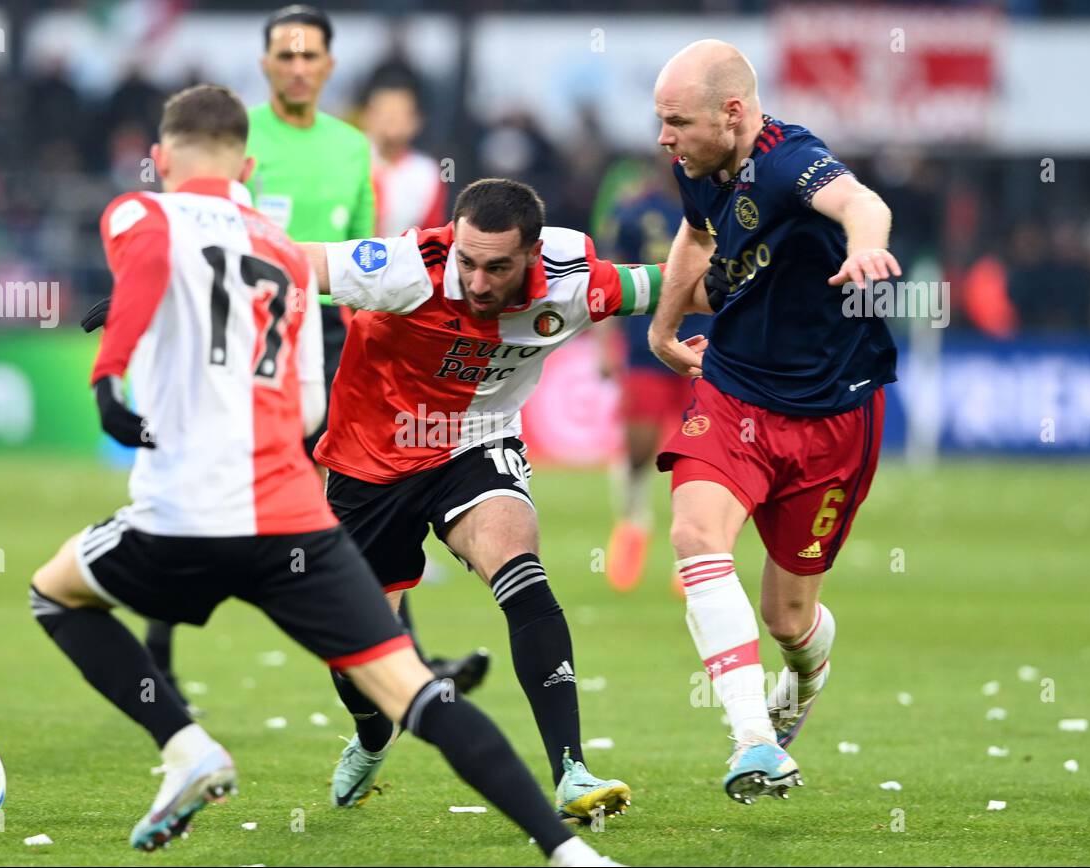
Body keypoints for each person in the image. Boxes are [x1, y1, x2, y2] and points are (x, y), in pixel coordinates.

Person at [31, 84, 616, 866]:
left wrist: (113, 384)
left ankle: (186, 745)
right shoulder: (284, 251)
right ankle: (569, 854)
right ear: (248, 164)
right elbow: (310, 398)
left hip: (210, 502)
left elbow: (142, 265)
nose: (479, 280)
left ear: (161, 161)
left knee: (54, 592)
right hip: (305, 504)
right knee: (410, 691)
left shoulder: (144, 213)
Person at [298, 177, 692, 818]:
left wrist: (790, 278)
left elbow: (677, 282)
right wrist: (156, 292)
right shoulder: (405, 267)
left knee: (521, 570)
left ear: (533, 256)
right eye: (468, 262)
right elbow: (289, 261)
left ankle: (572, 771)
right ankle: (372, 736)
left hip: (475, 447)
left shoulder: (574, 280)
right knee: (356, 654)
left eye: (498, 267)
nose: (479, 283)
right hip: (370, 461)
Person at [141, 4, 483, 706]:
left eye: (310, 56)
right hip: (244, 330)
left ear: (329, 66)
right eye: (285, 56)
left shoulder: (350, 148)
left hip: (326, 339)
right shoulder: (234, 138)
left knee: (363, 497)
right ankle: (157, 658)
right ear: (265, 63)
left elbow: (367, 258)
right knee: (207, 488)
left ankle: (407, 669)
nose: (297, 67)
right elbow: (186, 220)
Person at [648, 40, 900, 803]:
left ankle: (805, 673)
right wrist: (662, 330)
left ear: (733, 114)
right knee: (694, 535)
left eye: (677, 121)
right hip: (734, 394)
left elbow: (865, 203)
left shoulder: (791, 163)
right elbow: (695, 234)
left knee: (788, 617)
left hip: (831, 416)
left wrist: (866, 254)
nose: (664, 137)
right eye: (661, 121)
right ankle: (755, 742)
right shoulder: (696, 162)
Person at [592, 156, 709, 592]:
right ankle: (633, 521)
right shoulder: (634, 209)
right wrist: (605, 344)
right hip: (648, 347)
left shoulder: (729, 204)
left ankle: (695, 546)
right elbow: (606, 277)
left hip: (709, 349)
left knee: (701, 450)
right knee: (639, 448)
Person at [363, 81, 448, 236]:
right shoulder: (348, 160)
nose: (392, 120)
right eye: (385, 113)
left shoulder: (426, 173)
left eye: (400, 114)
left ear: (416, 121)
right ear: (368, 116)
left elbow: (432, 233)